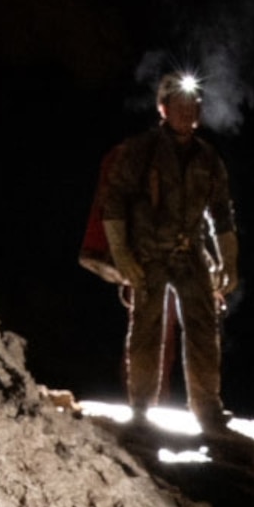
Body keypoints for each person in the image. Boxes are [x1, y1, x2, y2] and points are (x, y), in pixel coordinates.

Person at [98, 72, 240, 437]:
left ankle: (207, 407)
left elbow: (221, 212)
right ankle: (141, 409)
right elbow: (113, 202)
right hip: (148, 253)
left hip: (189, 251)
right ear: (163, 108)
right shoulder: (142, 151)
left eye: (192, 105)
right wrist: (122, 255)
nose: (186, 112)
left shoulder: (208, 159)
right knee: (147, 328)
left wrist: (228, 260)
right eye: (178, 105)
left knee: (204, 327)